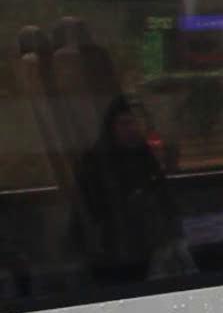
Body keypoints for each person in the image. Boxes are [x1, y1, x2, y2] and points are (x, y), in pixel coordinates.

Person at [73, 95, 193, 284]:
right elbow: (93, 209)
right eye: (125, 124)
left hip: (147, 245)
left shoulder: (143, 155)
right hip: (115, 250)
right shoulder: (97, 161)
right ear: (112, 128)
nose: (132, 129)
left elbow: (162, 195)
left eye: (135, 123)